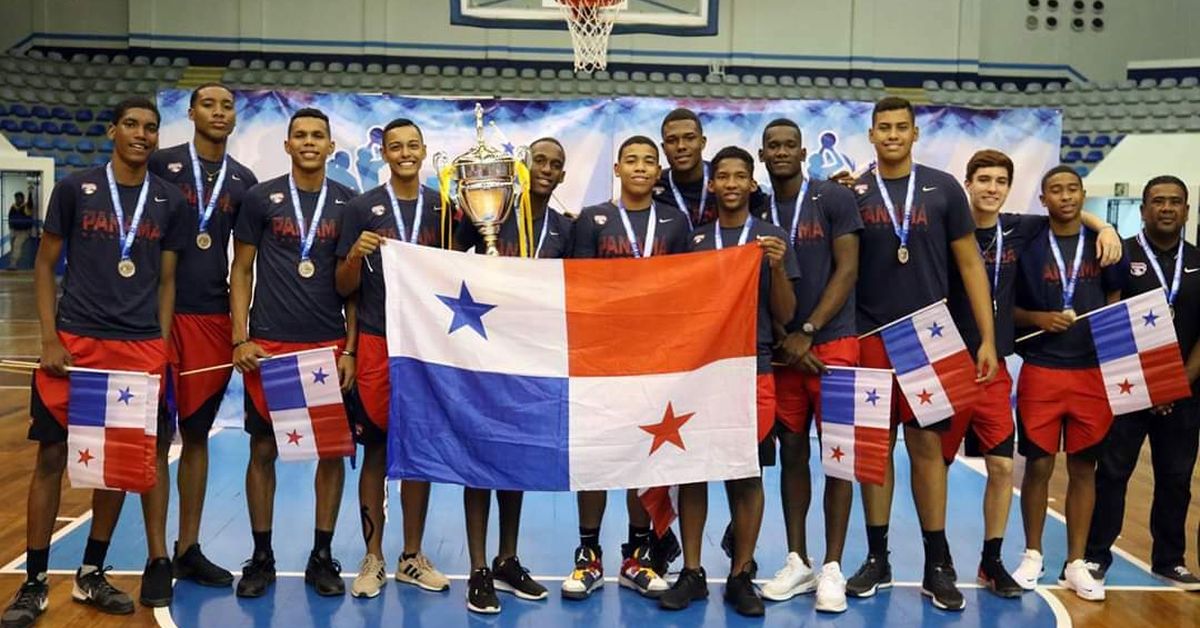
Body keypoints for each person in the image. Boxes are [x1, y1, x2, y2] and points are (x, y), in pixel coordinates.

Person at [0, 97, 189, 628]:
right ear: (112, 131)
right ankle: (34, 582)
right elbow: (44, 265)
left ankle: (91, 572)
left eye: (150, 127)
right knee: (50, 457)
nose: (141, 134)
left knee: (116, 465)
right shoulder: (74, 189)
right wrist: (49, 338)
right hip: (76, 343)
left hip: (137, 349)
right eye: (131, 124)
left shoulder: (170, 200)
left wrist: (161, 343)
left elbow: (167, 280)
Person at [942, 149, 1120, 598]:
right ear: (968, 183)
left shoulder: (1019, 228)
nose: (992, 188)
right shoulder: (947, 228)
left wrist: (1106, 226)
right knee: (936, 467)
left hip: (994, 367)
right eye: (984, 179)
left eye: (1001, 181)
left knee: (1003, 466)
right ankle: (937, 560)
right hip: (947, 364)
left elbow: (1070, 212)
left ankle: (992, 560)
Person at [844, 97, 999, 612]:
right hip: (868, 336)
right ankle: (877, 558)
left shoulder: (944, 187)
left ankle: (937, 563)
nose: (892, 135)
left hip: (929, 335)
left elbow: (971, 265)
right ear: (871, 135)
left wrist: (986, 338)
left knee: (927, 448)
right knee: (875, 450)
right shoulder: (853, 192)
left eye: (901, 127)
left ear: (915, 134)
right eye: (883, 128)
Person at [658, 146, 798, 617]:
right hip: (700, 370)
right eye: (723, 176)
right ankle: (692, 572)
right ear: (712, 184)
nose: (732, 183)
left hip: (752, 367)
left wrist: (776, 268)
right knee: (693, 470)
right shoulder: (696, 241)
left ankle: (741, 574)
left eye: (741, 176)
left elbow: (786, 314)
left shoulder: (772, 238)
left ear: (752, 184)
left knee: (747, 473)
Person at [230, 107, 358, 599]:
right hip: (271, 345)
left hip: (327, 345)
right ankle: (262, 557)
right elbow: (241, 269)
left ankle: (321, 556)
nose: (308, 142)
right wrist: (240, 337)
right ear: (287, 145)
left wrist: (350, 348)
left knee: (330, 452)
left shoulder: (348, 203)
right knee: (263, 450)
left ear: (330, 146)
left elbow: (354, 287)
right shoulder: (261, 198)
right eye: (300, 135)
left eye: (317, 136)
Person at [562, 135, 689, 601]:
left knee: (643, 453)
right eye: (631, 160)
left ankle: (638, 556)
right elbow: (581, 287)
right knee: (597, 456)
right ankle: (588, 555)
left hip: (657, 359)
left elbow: (689, 286)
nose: (639, 167)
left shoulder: (675, 222)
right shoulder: (594, 219)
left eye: (648, 161)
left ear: (658, 172)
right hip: (602, 357)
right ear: (616, 169)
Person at [451, 137, 573, 613]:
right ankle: (478, 568)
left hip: (531, 357)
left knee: (514, 457)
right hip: (481, 352)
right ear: (523, 166)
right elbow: (445, 267)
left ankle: (506, 559)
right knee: (478, 457)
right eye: (539, 160)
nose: (547, 168)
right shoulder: (487, 211)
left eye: (555, 164)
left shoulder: (566, 228)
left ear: (562, 175)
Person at [147, 82, 258, 588]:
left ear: (235, 117)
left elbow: (243, 263)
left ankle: (187, 548)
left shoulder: (244, 181)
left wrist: (239, 330)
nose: (218, 112)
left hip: (211, 318)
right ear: (191, 113)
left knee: (196, 435)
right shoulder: (161, 164)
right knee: (155, 436)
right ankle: (156, 557)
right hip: (156, 317)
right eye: (208, 104)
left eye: (226, 106)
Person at [335, 118, 449, 601]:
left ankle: (412, 556)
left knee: (418, 450)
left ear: (423, 151)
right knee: (376, 450)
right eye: (395, 146)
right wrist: (354, 256)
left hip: (427, 345)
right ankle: (373, 556)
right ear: (384, 153)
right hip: (378, 342)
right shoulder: (361, 208)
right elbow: (343, 287)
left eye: (412, 146)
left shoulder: (444, 209)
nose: (404, 153)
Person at [752, 119, 863, 613]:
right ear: (762, 154)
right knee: (793, 452)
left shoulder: (833, 198)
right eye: (772, 146)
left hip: (833, 342)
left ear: (803, 153)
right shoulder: (756, 207)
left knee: (838, 456)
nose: (781, 152)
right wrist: (786, 338)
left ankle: (833, 566)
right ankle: (798, 560)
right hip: (782, 353)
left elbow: (848, 268)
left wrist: (810, 330)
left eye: (789, 145)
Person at [1011, 165, 1127, 602]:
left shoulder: (1104, 244)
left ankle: (1076, 563)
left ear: (1082, 193)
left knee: (1084, 468)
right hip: (1042, 367)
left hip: (1091, 372)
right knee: (1038, 466)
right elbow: (1008, 307)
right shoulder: (1028, 242)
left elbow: (1115, 301)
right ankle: (1032, 554)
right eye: (1056, 191)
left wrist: (1106, 227)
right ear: (1043, 200)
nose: (1065, 196)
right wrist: (1038, 318)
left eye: (1072, 189)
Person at [1084, 175, 1200, 591]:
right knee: (1112, 474)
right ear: (1143, 209)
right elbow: (1110, 322)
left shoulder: (1198, 260)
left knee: (1176, 479)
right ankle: (1096, 555)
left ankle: (1170, 560)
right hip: (1128, 390)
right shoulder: (1120, 256)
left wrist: (1174, 385)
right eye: (1158, 201)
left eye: (1175, 201)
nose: (1167, 208)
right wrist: (1146, 386)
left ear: (1186, 210)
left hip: (1185, 393)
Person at [7, 189, 34, 269]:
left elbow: (30, 203)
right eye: (16, 198)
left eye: (19, 198)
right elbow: (10, 218)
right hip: (14, 230)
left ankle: (13, 264)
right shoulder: (13, 207)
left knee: (17, 244)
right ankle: (12, 262)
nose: (17, 200)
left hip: (24, 231)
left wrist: (30, 193)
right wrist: (11, 228)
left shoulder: (26, 206)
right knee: (12, 246)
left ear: (22, 198)